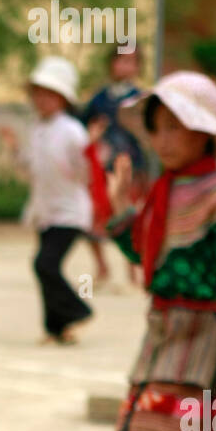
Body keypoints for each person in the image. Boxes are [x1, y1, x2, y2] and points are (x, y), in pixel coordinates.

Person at [96, 71, 216, 431]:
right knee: (146, 428)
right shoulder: (165, 190)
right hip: (164, 331)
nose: (163, 139)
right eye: (158, 127)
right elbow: (148, 254)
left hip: (206, 335)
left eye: (176, 126)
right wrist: (123, 209)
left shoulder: (215, 192)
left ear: (204, 132)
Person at [0, 56, 95, 344]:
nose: (41, 100)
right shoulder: (37, 129)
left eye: (49, 94)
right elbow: (30, 168)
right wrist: (15, 149)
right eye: (37, 93)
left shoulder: (73, 131)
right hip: (45, 211)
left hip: (70, 212)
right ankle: (57, 329)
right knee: (45, 270)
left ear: (64, 98)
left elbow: (86, 169)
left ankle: (78, 310)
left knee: (45, 264)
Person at [81, 48, 149, 286]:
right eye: (121, 60)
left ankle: (133, 269)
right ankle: (101, 267)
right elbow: (83, 125)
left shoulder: (143, 99)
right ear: (111, 64)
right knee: (94, 218)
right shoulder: (99, 99)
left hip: (132, 167)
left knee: (130, 214)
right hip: (102, 169)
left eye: (131, 61)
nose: (125, 66)